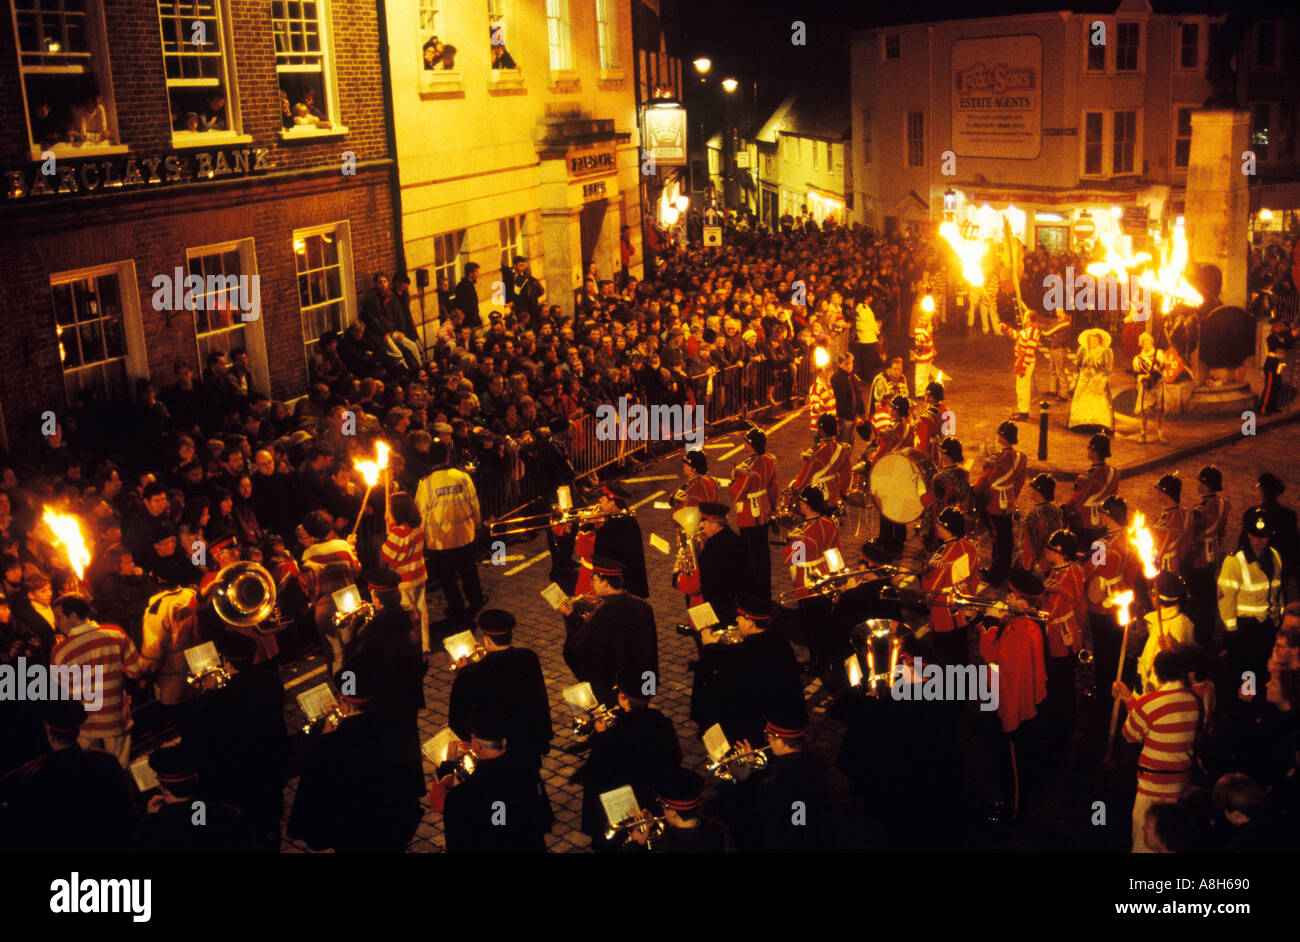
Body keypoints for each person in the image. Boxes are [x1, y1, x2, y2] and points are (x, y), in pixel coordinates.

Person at [289, 666, 423, 852]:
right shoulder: (396, 731)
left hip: (351, 834)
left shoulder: (329, 744)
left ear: (343, 699)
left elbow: (316, 794)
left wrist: (324, 739)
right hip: (390, 829)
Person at [185, 630, 289, 852]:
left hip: (238, 776)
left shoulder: (219, 699)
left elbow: (203, 734)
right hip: (270, 766)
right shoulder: (270, 681)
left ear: (225, 660)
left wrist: (207, 693)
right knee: (269, 823)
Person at [2, 699, 137, 854]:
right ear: (78, 731)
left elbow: (32, 835)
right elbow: (126, 817)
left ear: (48, 730)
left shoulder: (36, 779)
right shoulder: (106, 762)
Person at [580, 667, 682, 851]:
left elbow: (596, 773)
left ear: (623, 697)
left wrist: (600, 735)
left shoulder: (614, 732)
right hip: (651, 799)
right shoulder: (660, 720)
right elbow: (674, 759)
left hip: (620, 803)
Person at [1112, 649, 1203, 853]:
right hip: (1180, 785)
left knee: (1145, 843)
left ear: (1157, 672)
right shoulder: (1194, 701)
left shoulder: (1151, 703)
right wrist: (1130, 698)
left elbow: (1129, 734)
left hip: (1152, 789)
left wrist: (1130, 702)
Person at [978, 571, 1049, 818]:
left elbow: (992, 655)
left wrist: (988, 625)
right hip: (1017, 695)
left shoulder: (1023, 630)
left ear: (1023, 602)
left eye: (1012, 595)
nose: (1007, 597)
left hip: (1014, 702)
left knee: (1013, 764)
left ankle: (1014, 810)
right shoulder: (1022, 620)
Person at [447, 609, 552, 770]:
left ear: (487, 639)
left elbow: (456, 719)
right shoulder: (528, 657)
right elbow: (540, 702)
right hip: (527, 745)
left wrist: (463, 674)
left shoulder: (471, 673)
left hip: (494, 755)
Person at [49, 593, 144, 767]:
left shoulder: (60, 651)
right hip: (115, 717)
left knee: (89, 771)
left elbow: (61, 691)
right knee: (118, 768)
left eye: (59, 617)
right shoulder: (116, 634)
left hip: (84, 724)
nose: (56, 622)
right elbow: (136, 671)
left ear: (74, 616)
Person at [442, 703, 551, 853]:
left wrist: (447, 769)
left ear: (478, 745)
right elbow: (543, 819)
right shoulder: (528, 772)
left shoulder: (461, 796)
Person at [561, 556, 658, 707]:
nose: (591, 583)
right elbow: (650, 652)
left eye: (594, 579)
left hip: (612, 688)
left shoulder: (603, 613)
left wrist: (571, 618)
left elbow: (579, 649)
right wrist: (649, 689)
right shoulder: (643, 607)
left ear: (605, 582)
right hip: (640, 685)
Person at [415, 440, 485, 631]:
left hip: (440, 543)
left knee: (448, 579)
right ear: (448, 456)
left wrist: (421, 540)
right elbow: (474, 503)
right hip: (464, 536)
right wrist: (477, 525)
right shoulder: (462, 477)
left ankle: (456, 608)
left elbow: (420, 514)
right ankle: (476, 600)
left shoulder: (426, 483)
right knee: (469, 571)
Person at [1219, 508, 1284, 694]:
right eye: (1255, 535)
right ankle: (1245, 708)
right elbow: (1226, 599)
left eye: (1264, 536)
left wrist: (1278, 621)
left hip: (1266, 628)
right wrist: (1231, 631)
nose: (1260, 540)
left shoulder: (1275, 557)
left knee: (1263, 671)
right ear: (1247, 534)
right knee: (1247, 675)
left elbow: (1277, 593)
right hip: (1244, 631)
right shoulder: (1234, 562)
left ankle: (1258, 705)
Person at [296, 509, 361, 672]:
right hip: (349, 603)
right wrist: (352, 549)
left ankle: (345, 692)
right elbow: (356, 571)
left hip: (326, 608)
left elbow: (307, 585)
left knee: (336, 655)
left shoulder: (308, 555)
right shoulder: (342, 546)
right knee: (354, 650)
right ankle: (358, 692)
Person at [921, 508, 980, 667]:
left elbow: (931, 588)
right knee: (962, 652)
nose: (938, 528)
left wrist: (926, 573)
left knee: (946, 656)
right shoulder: (970, 547)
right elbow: (974, 578)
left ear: (948, 530)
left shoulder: (944, 555)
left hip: (945, 613)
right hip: (963, 606)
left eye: (940, 526)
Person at [973, 420, 1028, 585]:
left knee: (997, 539)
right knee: (1006, 539)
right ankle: (1003, 570)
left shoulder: (996, 460)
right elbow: (1019, 482)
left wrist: (975, 492)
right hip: (1009, 500)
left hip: (995, 502)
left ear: (1002, 437)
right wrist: (1012, 497)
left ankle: (996, 574)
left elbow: (985, 481)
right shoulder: (1021, 457)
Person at [623, 768, 730, 853]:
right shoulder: (715, 829)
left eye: (663, 806)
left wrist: (635, 844)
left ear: (673, 812)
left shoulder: (671, 847)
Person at [729, 425, 780, 597]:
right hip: (764, 508)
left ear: (750, 444)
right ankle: (764, 588)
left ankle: (753, 590)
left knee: (750, 554)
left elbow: (737, 494)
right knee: (763, 552)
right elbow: (774, 487)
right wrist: (773, 509)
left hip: (749, 514)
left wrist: (732, 481)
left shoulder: (746, 467)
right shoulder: (770, 460)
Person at [379, 491, 429, 653]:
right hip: (419, 576)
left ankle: (411, 645)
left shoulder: (398, 533)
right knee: (422, 611)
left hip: (405, 581)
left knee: (408, 615)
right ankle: (425, 645)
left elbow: (387, 556)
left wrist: (390, 532)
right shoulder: (418, 527)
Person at [691, 502, 752, 630]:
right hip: (736, 602)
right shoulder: (736, 539)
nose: (701, 525)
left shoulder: (712, 547)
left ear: (716, 525)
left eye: (704, 522)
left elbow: (703, 584)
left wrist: (678, 578)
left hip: (717, 608)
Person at [1188, 466, 1230, 648]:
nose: (1197, 484)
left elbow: (1190, 534)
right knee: (1209, 596)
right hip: (1214, 552)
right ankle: (1209, 632)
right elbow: (1222, 530)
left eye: (1200, 481)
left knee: (1198, 598)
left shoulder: (1199, 511)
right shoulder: (1223, 503)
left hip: (1199, 557)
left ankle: (1200, 636)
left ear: (1205, 485)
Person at [1136, 573, 1195, 694]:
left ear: (1156, 597)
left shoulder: (1168, 628)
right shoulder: (1183, 619)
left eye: (1152, 592)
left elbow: (1161, 673)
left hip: (1160, 697)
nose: (1149, 595)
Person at [590, 483, 649, 599]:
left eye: (603, 501)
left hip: (620, 583)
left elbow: (598, 552)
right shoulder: (624, 519)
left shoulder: (615, 524)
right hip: (629, 578)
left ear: (612, 504)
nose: (599, 503)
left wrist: (589, 528)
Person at [1063, 432, 1119, 549]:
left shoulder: (1086, 478)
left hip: (1085, 523)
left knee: (1082, 555)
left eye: (1088, 447)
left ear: (1094, 451)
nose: (1086, 449)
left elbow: (1076, 501)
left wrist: (1065, 510)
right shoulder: (1114, 472)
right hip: (1104, 521)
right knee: (1099, 557)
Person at [790, 413, 853, 513]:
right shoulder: (841, 449)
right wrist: (843, 493)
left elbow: (805, 477)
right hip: (834, 497)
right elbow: (847, 474)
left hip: (816, 497)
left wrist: (795, 488)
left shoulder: (815, 452)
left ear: (822, 430)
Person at [1069, 328, 1115, 431]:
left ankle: (1097, 423)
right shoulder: (1083, 351)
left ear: (1099, 341)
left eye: (1095, 340)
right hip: (1084, 378)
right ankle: (1081, 422)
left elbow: (1108, 368)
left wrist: (1102, 380)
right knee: (1081, 398)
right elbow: (1078, 366)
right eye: (1091, 340)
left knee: (1097, 400)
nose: (1092, 342)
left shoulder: (1105, 352)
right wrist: (1074, 379)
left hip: (1097, 379)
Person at [998, 308, 1040, 421]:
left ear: (1030, 319)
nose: (1024, 318)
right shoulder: (1028, 330)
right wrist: (1006, 328)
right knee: (1021, 387)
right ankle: (1022, 409)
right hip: (1022, 361)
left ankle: (1024, 412)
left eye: (1026, 316)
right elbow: (1017, 335)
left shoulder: (1032, 331)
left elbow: (1029, 351)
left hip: (1025, 362)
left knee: (1023, 387)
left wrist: (1023, 367)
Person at [1021, 473, 1063, 577]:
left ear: (1039, 492)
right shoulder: (1057, 511)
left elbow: (1034, 544)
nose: (1031, 492)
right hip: (1054, 561)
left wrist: (1028, 568)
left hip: (1038, 565)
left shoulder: (1033, 514)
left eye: (1033, 489)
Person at [1152, 473, 1192, 580]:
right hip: (1166, 568)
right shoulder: (1173, 513)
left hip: (1167, 570)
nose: (1157, 494)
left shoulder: (1175, 518)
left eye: (1159, 491)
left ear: (1166, 494)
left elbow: (1162, 543)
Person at [1132, 333, 1169, 444]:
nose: (1146, 345)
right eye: (1144, 343)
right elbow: (1137, 373)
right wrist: (1144, 377)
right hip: (1146, 386)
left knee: (1159, 410)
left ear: (1152, 343)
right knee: (1145, 411)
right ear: (1141, 344)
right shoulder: (1138, 359)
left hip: (1157, 385)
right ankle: (1143, 433)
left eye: (1148, 342)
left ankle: (1160, 433)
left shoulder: (1159, 355)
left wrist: (1156, 367)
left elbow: (1162, 367)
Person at [830, 351, 863, 445]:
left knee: (850, 444)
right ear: (840, 364)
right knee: (843, 444)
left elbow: (857, 395)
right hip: (843, 418)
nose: (849, 366)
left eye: (851, 363)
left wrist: (861, 412)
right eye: (846, 363)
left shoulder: (851, 376)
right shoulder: (836, 379)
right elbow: (840, 401)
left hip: (852, 417)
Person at [453, 262, 482, 329]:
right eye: (476, 272)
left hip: (472, 318)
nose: (478, 274)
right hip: (468, 321)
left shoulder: (470, 285)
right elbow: (467, 305)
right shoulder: (464, 286)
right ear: (470, 274)